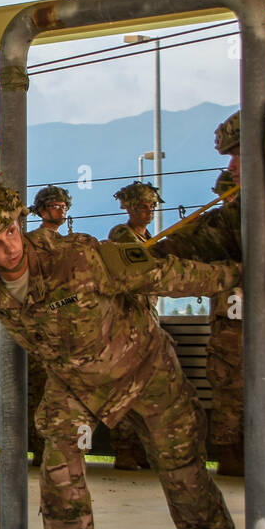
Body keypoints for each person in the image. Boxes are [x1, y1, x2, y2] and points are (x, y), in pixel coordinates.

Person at [0, 182, 242, 529]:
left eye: (10, 231)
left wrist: (238, 275)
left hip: (145, 368)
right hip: (75, 381)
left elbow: (164, 274)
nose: (9, 247)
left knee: (183, 475)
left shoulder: (79, 255)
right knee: (58, 477)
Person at [149, 121, 244, 476]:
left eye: (238, 157)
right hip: (230, 326)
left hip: (259, 325)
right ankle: (231, 455)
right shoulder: (228, 225)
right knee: (229, 391)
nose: (232, 166)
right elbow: (178, 248)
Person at [107, 181, 166, 470]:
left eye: (152, 206)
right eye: (143, 206)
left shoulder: (149, 238)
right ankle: (125, 449)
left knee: (146, 391)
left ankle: (142, 449)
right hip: (126, 325)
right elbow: (143, 266)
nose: (149, 211)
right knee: (125, 390)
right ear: (129, 208)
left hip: (146, 323)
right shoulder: (122, 235)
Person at [25, 185, 72, 465]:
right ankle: (40, 448)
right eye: (55, 206)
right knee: (42, 390)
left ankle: (58, 447)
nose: (61, 211)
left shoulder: (66, 242)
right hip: (42, 328)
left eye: (64, 207)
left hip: (65, 328)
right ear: (42, 210)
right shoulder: (32, 243)